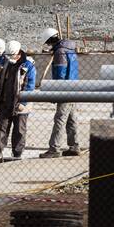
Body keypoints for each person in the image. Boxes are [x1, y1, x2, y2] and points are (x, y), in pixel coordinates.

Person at [37, 27, 81, 158]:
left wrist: (56, 91)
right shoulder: (70, 49)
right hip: (73, 88)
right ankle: (74, 146)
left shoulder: (60, 52)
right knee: (71, 119)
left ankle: (54, 148)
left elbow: (60, 74)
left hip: (64, 89)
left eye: (48, 42)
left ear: (50, 40)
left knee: (60, 119)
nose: (48, 45)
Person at [0, 40, 36, 163]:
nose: (9, 57)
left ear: (18, 53)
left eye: (11, 55)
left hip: (20, 104)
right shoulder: (7, 63)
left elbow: (30, 86)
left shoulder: (28, 65)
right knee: (2, 129)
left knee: (19, 131)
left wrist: (23, 103)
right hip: (6, 102)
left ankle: (17, 155)